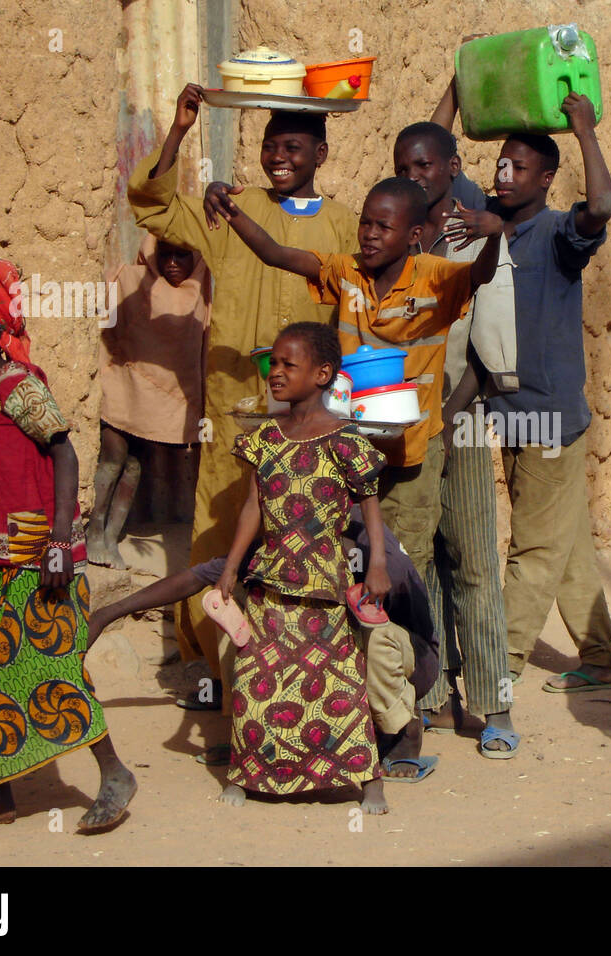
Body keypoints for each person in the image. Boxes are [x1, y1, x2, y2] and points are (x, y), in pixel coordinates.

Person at [128, 83, 357, 713]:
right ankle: (208, 661)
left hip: (310, 417)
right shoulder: (231, 206)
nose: (278, 156)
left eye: (292, 146)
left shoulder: (342, 223)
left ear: (320, 153)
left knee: (302, 535)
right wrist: (178, 130)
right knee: (219, 526)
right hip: (235, 408)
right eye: (269, 145)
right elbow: (152, 208)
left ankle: (292, 663)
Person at [208, 176, 502, 601]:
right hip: (347, 449)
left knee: (402, 564)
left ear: (414, 234)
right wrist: (230, 212)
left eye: (383, 227)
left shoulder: (435, 277)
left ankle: (399, 661)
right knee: (348, 560)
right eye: (366, 223)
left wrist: (492, 237)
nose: (369, 235)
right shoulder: (348, 274)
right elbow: (275, 253)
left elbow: (480, 275)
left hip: (409, 451)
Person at [0, 260, 136, 833]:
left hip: (43, 563)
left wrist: (62, 540)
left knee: (48, 674)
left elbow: (62, 453)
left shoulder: (19, 387)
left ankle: (115, 774)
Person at [433, 84, 611, 691]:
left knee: (534, 549)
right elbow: (430, 165)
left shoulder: (557, 234)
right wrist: (458, 89)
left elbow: (601, 207)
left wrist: (584, 130)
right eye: (500, 163)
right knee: (563, 545)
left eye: (519, 166)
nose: (505, 173)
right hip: (505, 412)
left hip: (550, 416)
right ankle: (601, 656)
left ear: (547, 178)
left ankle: (501, 666)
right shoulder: (485, 215)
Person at [84, 505, 440, 780]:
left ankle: (401, 729)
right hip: (322, 655)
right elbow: (195, 578)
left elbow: (418, 629)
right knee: (234, 616)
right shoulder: (283, 537)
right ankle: (248, 734)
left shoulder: (372, 547)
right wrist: (109, 613)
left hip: (403, 656)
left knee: (375, 637)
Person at [211, 322, 393, 813]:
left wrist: (376, 562)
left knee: (339, 682)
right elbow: (252, 505)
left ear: (322, 374)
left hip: (323, 582)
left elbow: (369, 502)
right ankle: (249, 772)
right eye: (274, 363)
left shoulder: (344, 438)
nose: (275, 373)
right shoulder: (266, 437)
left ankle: (366, 778)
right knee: (257, 679)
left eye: (289, 365)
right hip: (271, 581)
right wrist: (230, 567)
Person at [392, 121, 519, 757]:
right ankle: (433, 695)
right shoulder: (395, 241)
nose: (414, 176)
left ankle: (494, 704)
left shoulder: (477, 239)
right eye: (403, 166)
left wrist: (443, 412)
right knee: (421, 563)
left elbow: (487, 353)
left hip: (458, 420)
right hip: (407, 428)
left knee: (472, 561)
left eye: (424, 165)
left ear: (450, 167)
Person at [87, 235, 210, 569]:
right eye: (165, 255)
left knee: (135, 464)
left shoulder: (202, 289)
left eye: (182, 255)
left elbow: (205, 344)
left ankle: (111, 535)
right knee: (112, 455)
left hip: (159, 398)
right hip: (123, 385)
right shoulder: (131, 279)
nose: (172, 263)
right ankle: (93, 527)